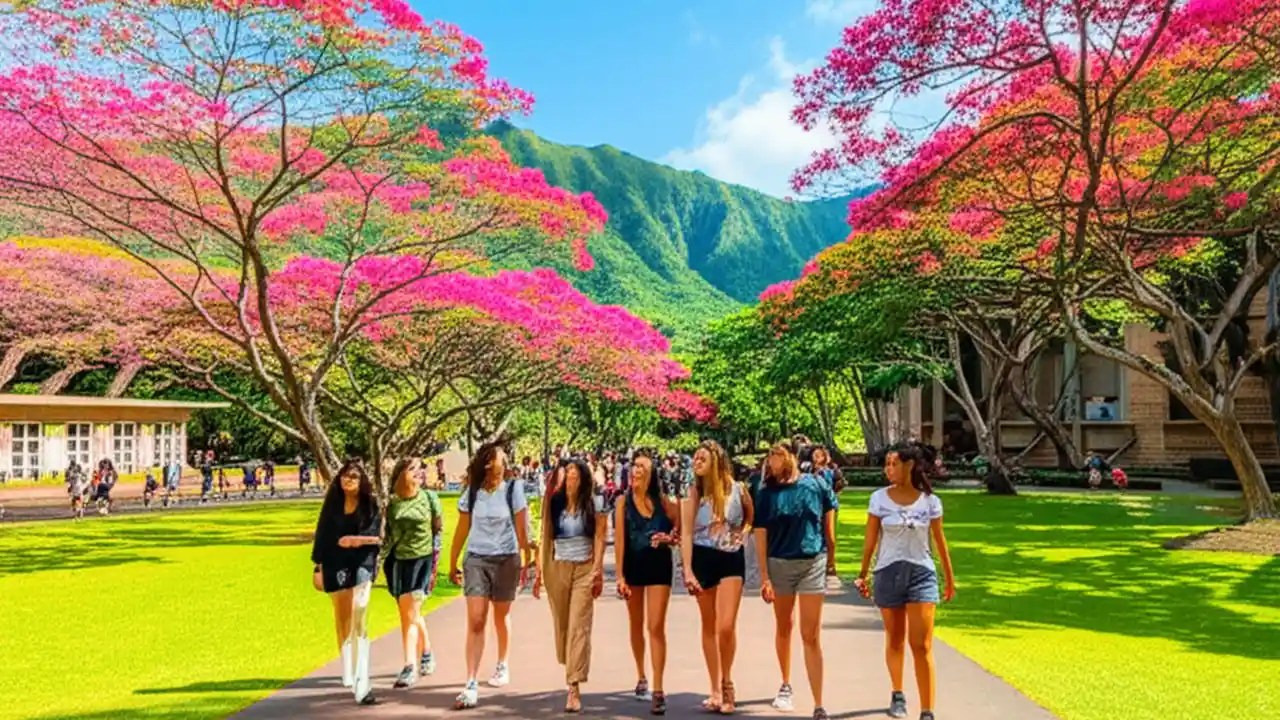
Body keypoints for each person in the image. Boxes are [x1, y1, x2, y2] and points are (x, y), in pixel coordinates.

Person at [853, 442, 956, 720]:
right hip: (888, 571)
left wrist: (949, 577)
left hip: (921, 573)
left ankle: (927, 710)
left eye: (893, 463)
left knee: (921, 645)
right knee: (896, 640)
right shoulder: (878, 499)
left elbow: (939, 540)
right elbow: (870, 541)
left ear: (909, 466)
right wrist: (862, 574)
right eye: (886, 464)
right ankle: (897, 692)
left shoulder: (930, 502)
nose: (888, 469)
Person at [447, 439, 534, 710]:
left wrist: (526, 558)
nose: (498, 463)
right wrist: (452, 562)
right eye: (494, 459)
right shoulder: (472, 493)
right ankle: (471, 681)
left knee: (501, 615)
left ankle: (502, 663)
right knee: (476, 619)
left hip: (506, 559)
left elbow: (522, 528)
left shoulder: (513, 490)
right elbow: (462, 530)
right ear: (485, 463)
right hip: (476, 559)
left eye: (501, 459)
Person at [753, 443, 838, 720]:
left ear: (790, 457)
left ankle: (819, 702)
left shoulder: (815, 485)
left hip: (812, 561)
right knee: (784, 626)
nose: (772, 461)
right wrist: (764, 576)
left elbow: (828, 519)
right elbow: (761, 533)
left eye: (777, 455)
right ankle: (785, 683)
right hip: (780, 563)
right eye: (770, 456)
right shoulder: (766, 493)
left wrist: (831, 555)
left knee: (810, 634)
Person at [680, 440, 753, 714]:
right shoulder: (694, 493)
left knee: (726, 625)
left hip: (731, 558)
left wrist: (744, 532)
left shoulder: (738, 489)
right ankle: (714, 687)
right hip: (703, 558)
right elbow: (686, 533)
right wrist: (687, 569)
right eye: (695, 458)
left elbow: (749, 516)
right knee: (709, 624)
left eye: (702, 458)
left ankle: (727, 682)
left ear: (716, 461)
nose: (696, 462)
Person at [534, 458, 607, 713]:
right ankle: (570, 664)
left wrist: (597, 569)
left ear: (583, 479)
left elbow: (600, 535)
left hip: (584, 569)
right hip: (558, 567)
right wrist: (538, 571)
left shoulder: (593, 502)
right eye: (568, 476)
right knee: (562, 625)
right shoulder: (554, 503)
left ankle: (573, 686)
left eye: (576, 476)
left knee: (579, 626)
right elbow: (545, 536)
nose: (571, 480)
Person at [310, 460, 382, 706]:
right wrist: (317, 565)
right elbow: (322, 534)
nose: (348, 480)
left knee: (360, 609)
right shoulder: (332, 505)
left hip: (362, 562)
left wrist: (355, 540)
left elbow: (377, 537)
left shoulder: (370, 505)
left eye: (353, 477)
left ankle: (363, 677)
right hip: (335, 561)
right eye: (345, 476)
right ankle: (347, 666)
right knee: (342, 617)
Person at [614, 449, 680, 715]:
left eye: (642, 467)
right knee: (636, 623)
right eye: (634, 466)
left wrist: (671, 537)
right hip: (633, 567)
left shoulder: (662, 501)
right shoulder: (622, 502)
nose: (636, 470)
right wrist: (619, 575)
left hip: (659, 567)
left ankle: (659, 688)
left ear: (652, 473)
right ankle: (641, 673)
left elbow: (681, 522)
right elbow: (619, 540)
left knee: (656, 626)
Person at [383, 457, 444, 688]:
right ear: (401, 474)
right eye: (413, 469)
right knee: (408, 612)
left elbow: (437, 530)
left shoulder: (430, 498)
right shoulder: (393, 503)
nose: (419, 473)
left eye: (420, 469)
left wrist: (435, 561)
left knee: (410, 612)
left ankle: (410, 666)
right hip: (399, 562)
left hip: (423, 560)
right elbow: (388, 536)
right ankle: (427, 650)